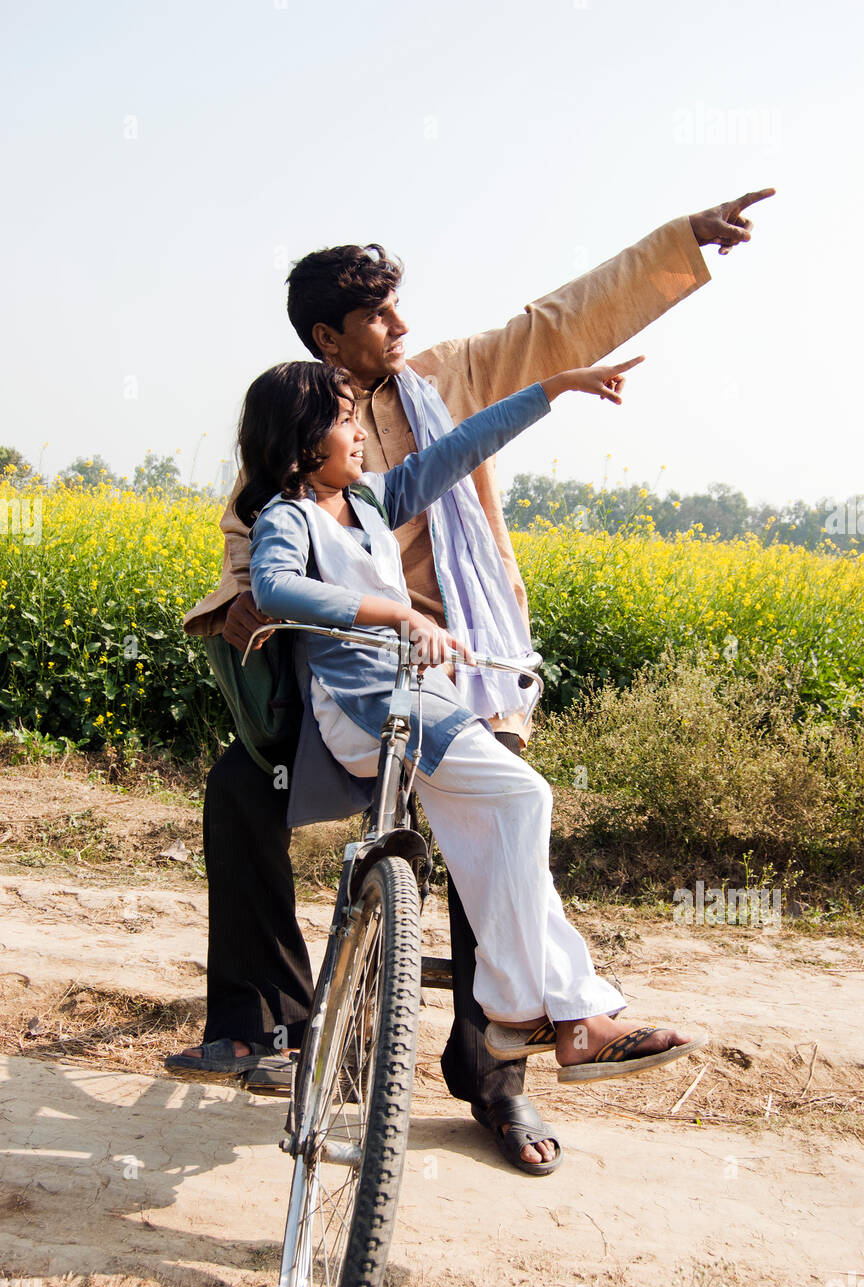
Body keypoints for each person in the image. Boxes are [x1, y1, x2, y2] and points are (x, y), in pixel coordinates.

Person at [170, 189, 773, 1173]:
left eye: (401, 306)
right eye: (377, 314)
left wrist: (679, 243)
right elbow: (253, 531)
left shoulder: (445, 376)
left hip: (457, 659)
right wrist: (240, 599)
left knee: (483, 829)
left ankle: (493, 1076)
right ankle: (261, 1024)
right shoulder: (300, 412)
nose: (402, 326)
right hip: (347, 673)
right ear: (329, 336)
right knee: (239, 790)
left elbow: (557, 326)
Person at [240, 354, 706, 1095]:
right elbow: (273, 588)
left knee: (499, 848)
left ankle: (579, 1019)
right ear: (300, 440)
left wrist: (554, 388)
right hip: (368, 710)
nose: (359, 433)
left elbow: (460, 450)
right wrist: (398, 610)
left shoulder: (368, 502)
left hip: (419, 702)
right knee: (527, 799)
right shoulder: (285, 517)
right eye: (343, 418)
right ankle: (517, 1009)